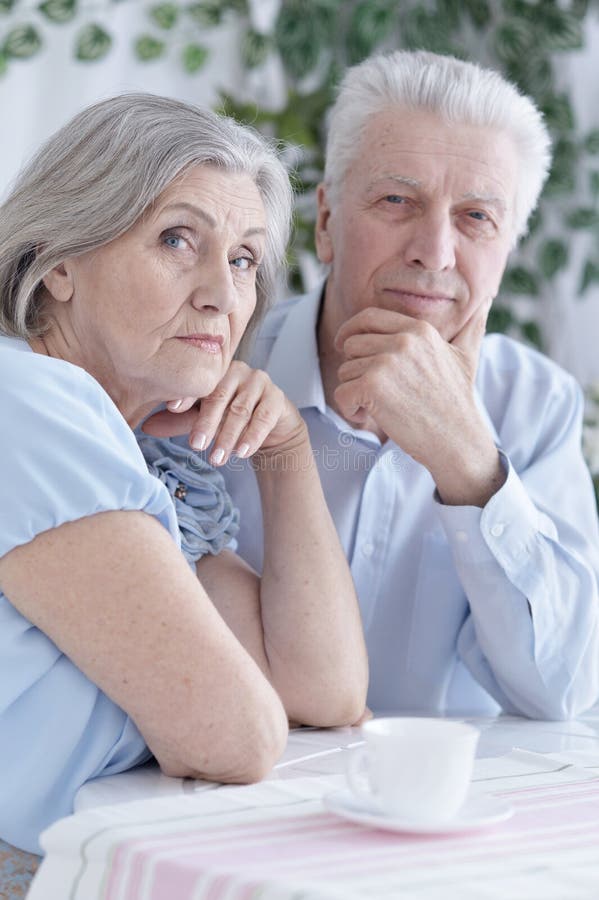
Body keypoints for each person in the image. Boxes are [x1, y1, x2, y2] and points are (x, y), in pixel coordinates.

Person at [157, 50, 599, 721]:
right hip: (234, 790)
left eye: (476, 218)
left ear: (506, 250)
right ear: (327, 222)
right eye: (397, 200)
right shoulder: (204, 368)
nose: (434, 252)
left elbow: (562, 691)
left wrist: (469, 464)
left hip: (445, 807)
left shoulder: (535, 404)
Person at [0, 93, 368, 855]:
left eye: (242, 259)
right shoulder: (25, 403)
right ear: (58, 262)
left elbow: (320, 692)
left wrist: (285, 450)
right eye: (176, 240)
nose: (223, 294)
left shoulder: (144, 447)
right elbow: (233, 735)